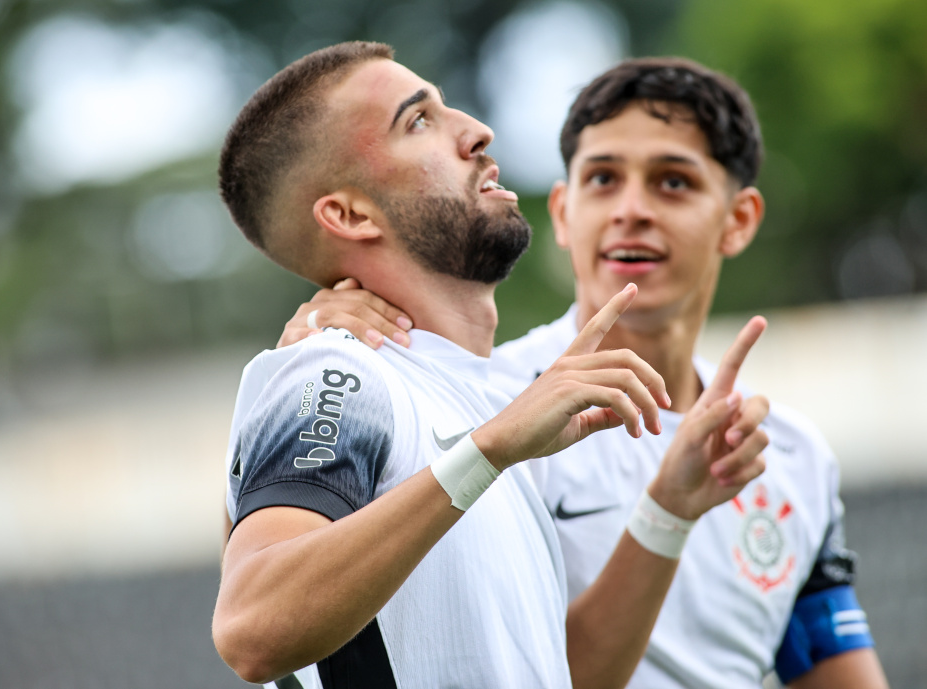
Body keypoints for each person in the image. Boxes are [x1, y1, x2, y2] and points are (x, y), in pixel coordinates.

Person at [277, 57, 889, 688]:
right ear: (563, 214)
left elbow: (826, 663)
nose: (632, 209)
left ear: (738, 220)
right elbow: (283, 616)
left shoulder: (788, 453)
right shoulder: (480, 408)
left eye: (673, 182)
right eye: (602, 178)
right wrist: (296, 375)